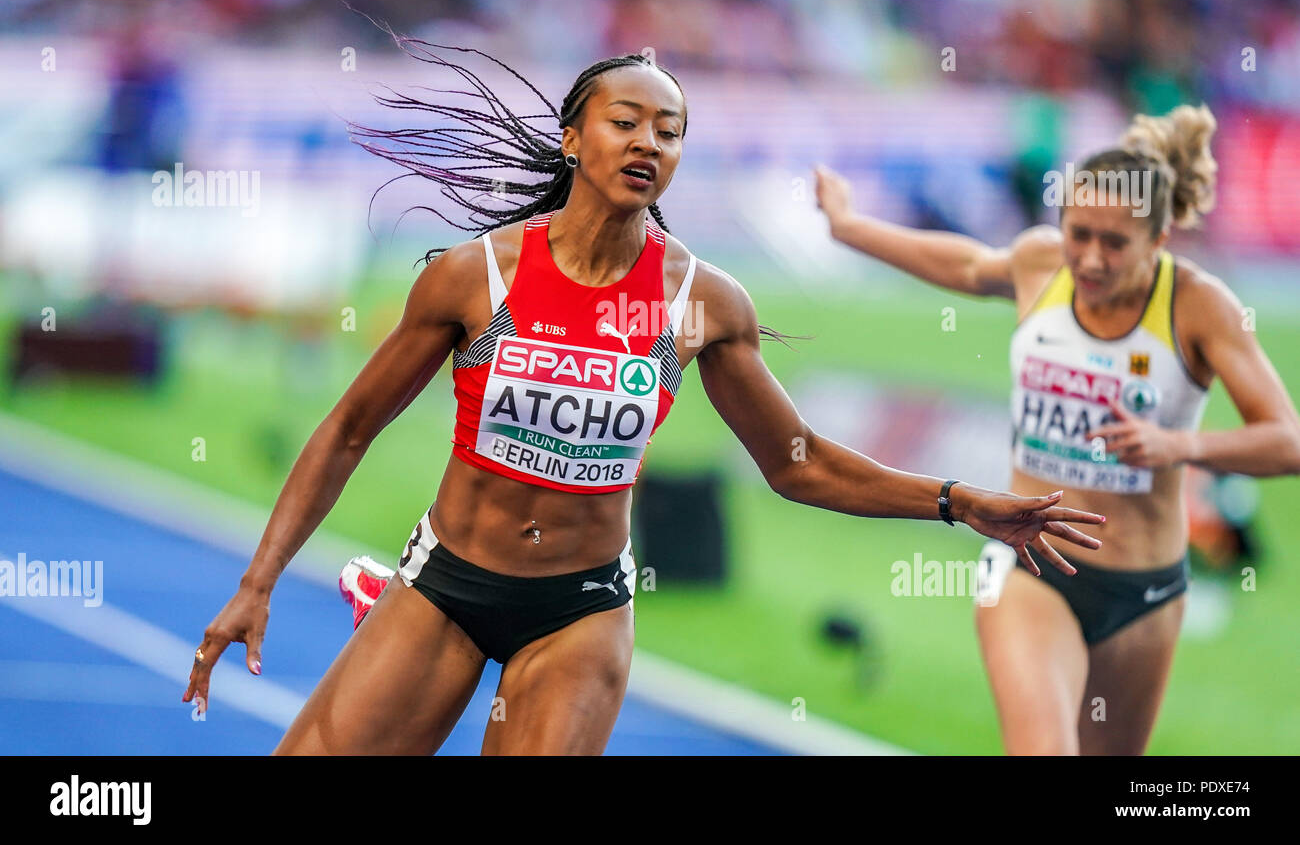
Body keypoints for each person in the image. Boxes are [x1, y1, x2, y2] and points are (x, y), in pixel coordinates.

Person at [183, 40, 1105, 755]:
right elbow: (348, 430)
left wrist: (956, 502)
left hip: (579, 608)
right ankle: (375, 599)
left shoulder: (699, 302)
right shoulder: (475, 280)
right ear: (573, 138)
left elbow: (799, 465)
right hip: (448, 585)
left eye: (670, 134)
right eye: (628, 122)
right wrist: (256, 584)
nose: (650, 144)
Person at [812, 103, 1300, 754]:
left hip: (1146, 587)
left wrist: (1179, 445)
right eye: (1078, 234)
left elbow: (1286, 441)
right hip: (1029, 566)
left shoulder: (1199, 305)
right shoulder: (1041, 263)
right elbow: (965, 266)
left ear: (1158, 240)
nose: (1090, 260)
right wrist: (849, 227)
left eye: (1115, 243)